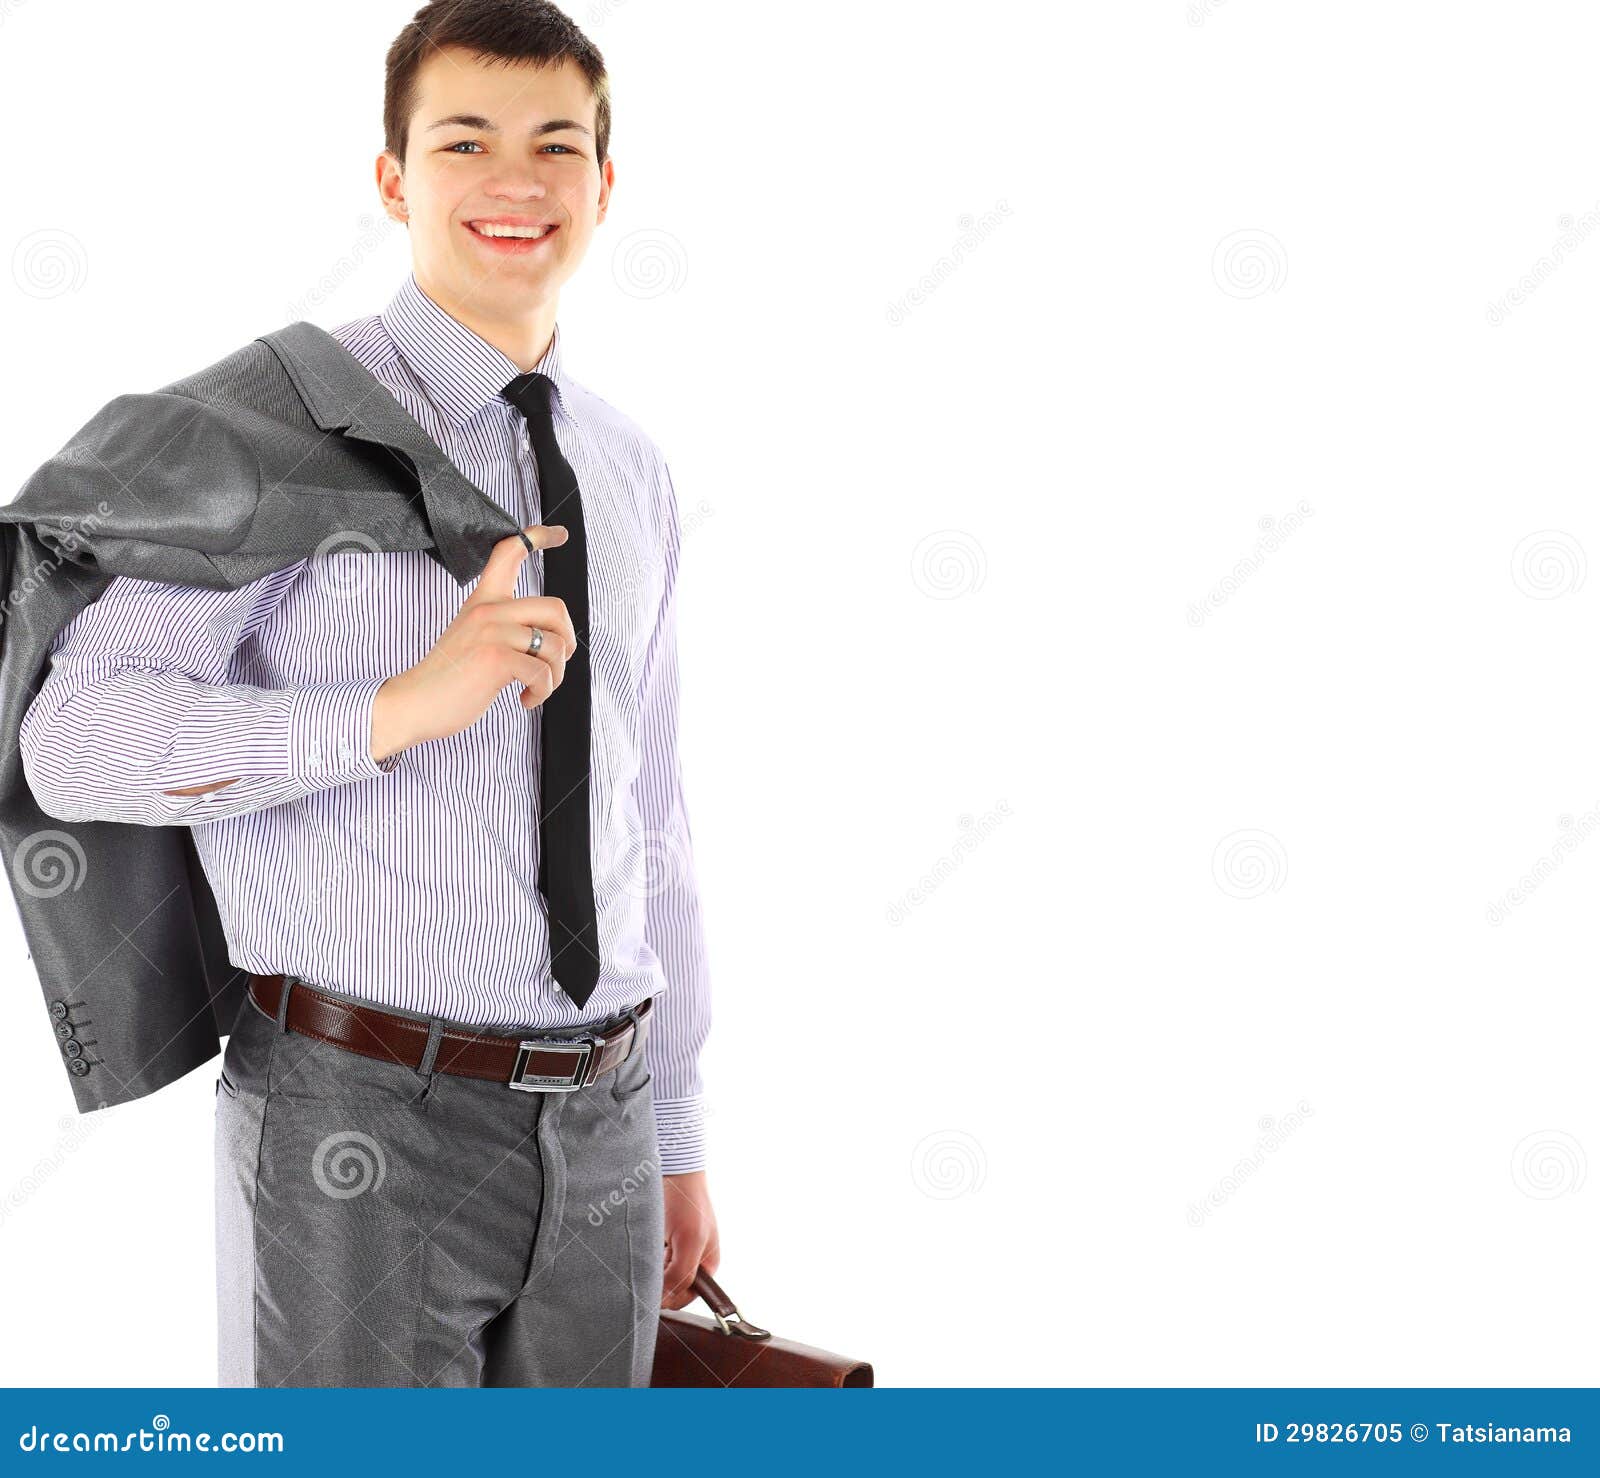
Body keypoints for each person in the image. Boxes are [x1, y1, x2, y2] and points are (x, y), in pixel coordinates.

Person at [17, 0, 715, 1388]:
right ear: (394, 178)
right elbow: (69, 744)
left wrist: (678, 1132)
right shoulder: (260, 437)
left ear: (603, 183)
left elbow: (655, 814)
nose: (515, 182)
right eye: (465, 141)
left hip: (609, 1130)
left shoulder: (628, 468)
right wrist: (396, 707)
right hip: (364, 1119)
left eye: (555, 145)